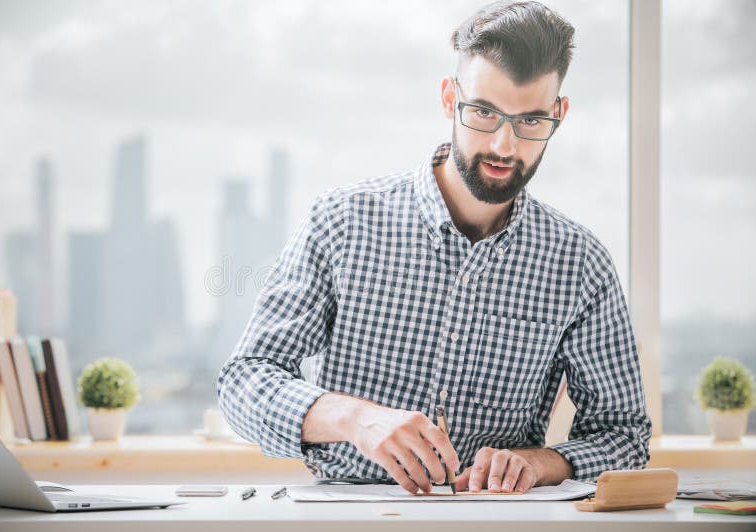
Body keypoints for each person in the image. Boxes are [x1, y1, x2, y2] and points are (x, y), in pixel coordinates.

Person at [218, 0, 651, 495]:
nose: (505, 146)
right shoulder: (342, 221)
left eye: (530, 121)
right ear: (450, 98)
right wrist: (354, 418)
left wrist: (538, 463)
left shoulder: (580, 264)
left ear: (559, 113)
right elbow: (244, 381)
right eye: (484, 112)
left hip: (498, 525)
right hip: (348, 519)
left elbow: (624, 436)